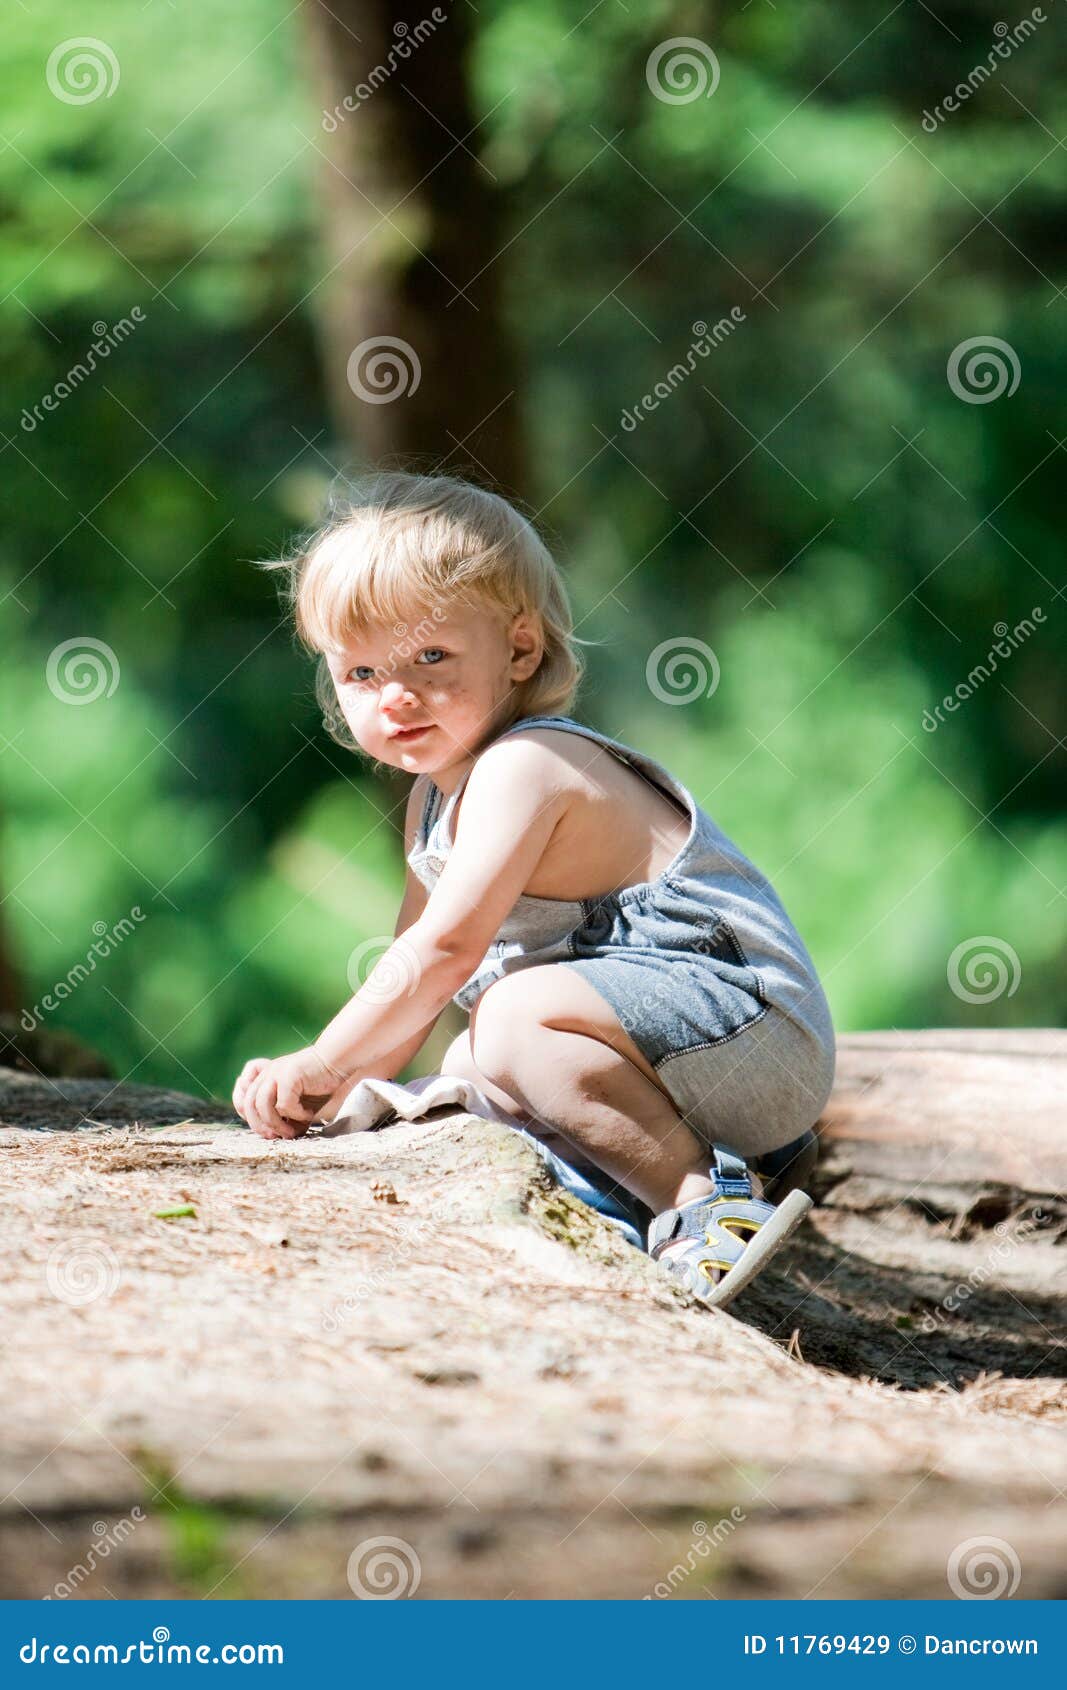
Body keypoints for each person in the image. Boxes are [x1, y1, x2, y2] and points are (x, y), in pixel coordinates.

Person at [232, 469, 835, 1308]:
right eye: (361, 673)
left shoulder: (530, 764)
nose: (395, 696)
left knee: (511, 1021)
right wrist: (325, 1096)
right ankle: (622, 1197)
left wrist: (323, 1056)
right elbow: (411, 976)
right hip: (684, 1054)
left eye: (430, 657)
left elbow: (443, 954)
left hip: (753, 1035)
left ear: (519, 649)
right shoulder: (432, 801)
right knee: (472, 1057)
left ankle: (706, 1200)